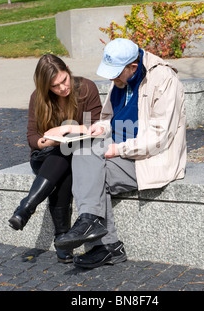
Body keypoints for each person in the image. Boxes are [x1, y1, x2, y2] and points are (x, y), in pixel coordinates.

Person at [55, 38, 187, 269]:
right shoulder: (121, 80)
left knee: (91, 171)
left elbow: (159, 138)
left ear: (132, 67)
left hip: (151, 158)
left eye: (116, 73)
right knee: (84, 155)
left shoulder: (164, 80)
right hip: (121, 152)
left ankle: (103, 242)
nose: (111, 78)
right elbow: (110, 119)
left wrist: (117, 148)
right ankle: (98, 232)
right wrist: (102, 128)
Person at [8, 54, 102, 263]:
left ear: (68, 70)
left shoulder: (87, 88)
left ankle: (26, 208)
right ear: (46, 86)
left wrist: (67, 129)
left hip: (78, 154)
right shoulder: (38, 97)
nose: (62, 88)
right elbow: (32, 137)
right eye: (55, 86)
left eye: (64, 80)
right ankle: (61, 237)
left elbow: (98, 126)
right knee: (63, 156)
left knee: (68, 158)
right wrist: (47, 141)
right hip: (46, 157)